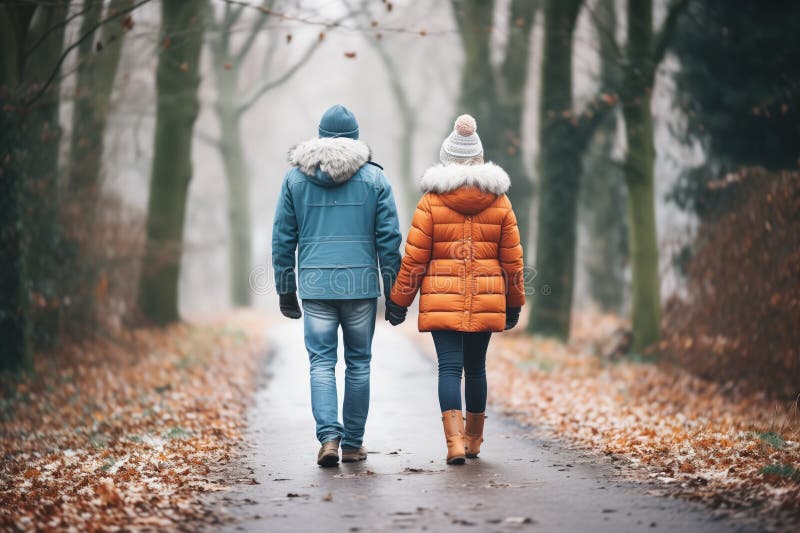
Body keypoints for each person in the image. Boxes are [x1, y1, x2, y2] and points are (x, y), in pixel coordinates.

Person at [386, 114, 526, 465]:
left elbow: (415, 258)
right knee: (476, 368)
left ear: (446, 158)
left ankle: (454, 445)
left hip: (440, 296)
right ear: (479, 159)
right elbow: (512, 261)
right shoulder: (501, 202)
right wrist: (514, 304)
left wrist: (399, 301)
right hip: (488, 295)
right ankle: (475, 442)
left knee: (449, 368)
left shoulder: (432, 202)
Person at [272, 104, 402, 467]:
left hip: (315, 286)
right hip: (360, 286)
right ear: (356, 139)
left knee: (321, 364)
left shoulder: (294, 179)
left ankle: (329, 437)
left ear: (319, 137)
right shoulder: (375, 179)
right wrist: (395, 294)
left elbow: (283, 237)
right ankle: (353, 444)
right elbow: (388, 240)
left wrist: (286, 287)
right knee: (359, 364)